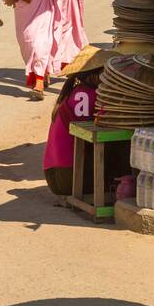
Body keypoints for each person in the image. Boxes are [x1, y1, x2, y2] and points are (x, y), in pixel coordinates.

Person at [43, 45, 112, 198]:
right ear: (94, 76)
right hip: (68, 178)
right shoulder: (88, 94)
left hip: (55, 175)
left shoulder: (75, 92)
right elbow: (94, 128)